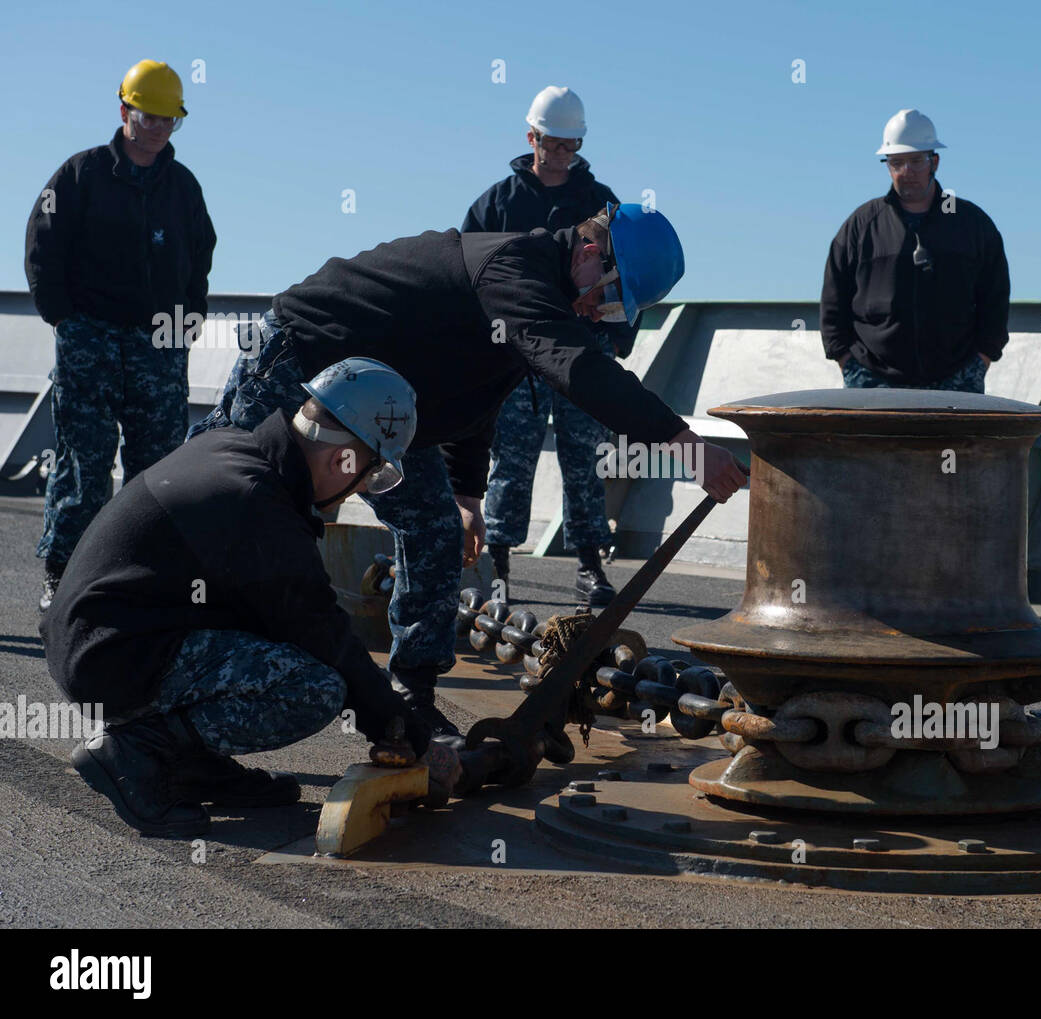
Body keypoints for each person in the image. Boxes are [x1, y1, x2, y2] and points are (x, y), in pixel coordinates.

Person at [189, 203, 748, 738]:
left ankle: (412, 695)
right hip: (305, 361)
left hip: (383, 404)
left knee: (435, 527)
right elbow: (580, 369)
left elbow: (473, 396)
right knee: (231, 502)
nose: (596, 314)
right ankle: (173, 647)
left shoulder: (531, 297)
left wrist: (465, 494)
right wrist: (688, 447)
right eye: (607, 298)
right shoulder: (516, 268)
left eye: (613, 311)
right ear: (588, 249)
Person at [40, 360, 455, 838]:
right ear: (343, 457)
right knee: (312, 687)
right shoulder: (256, 500)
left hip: (107, 639)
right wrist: (406, 734)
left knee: (281, 645)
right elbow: (323, 635)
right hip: (112, 659)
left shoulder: (236, 450)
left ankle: (192, 765)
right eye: (370, 471)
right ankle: (139, 751)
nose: (363, 486)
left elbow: (284, 615)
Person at [25, 59, 217, 612]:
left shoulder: (183, 188)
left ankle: (141, 576)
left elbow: (200, 258)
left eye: (168, 120)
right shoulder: (80, 175)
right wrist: (65, 319)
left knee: (156, 468)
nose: (157, 128)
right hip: (90, 337)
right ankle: (62, 577)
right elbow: (43, 245)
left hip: (159, 343)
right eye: (148, 116)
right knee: (84, 461)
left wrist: (186, 323)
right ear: (124, 110)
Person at [464, 85, 633, 607]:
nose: (562, 154)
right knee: (510, 459)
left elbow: (626, 274)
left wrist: (618, 333)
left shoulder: (603, 204)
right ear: (531, 137)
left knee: (583, 457)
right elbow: (468, 274)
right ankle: (500, 567)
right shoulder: (497, 203)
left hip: (585, 349)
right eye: (553, 143)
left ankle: (589, 564)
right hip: (515, 355)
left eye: (572, 146)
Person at [820, 109, 1009, 393]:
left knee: (954, 442)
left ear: (934, 162)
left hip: (956, 379)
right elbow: (833, 300)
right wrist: (847, 362)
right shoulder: (861, 226)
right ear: (887, 166)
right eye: (896, 163)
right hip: (872, 380)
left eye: (915, 161)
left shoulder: (972, 225)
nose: (906, 172)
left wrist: (981, 359)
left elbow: (995, 298)